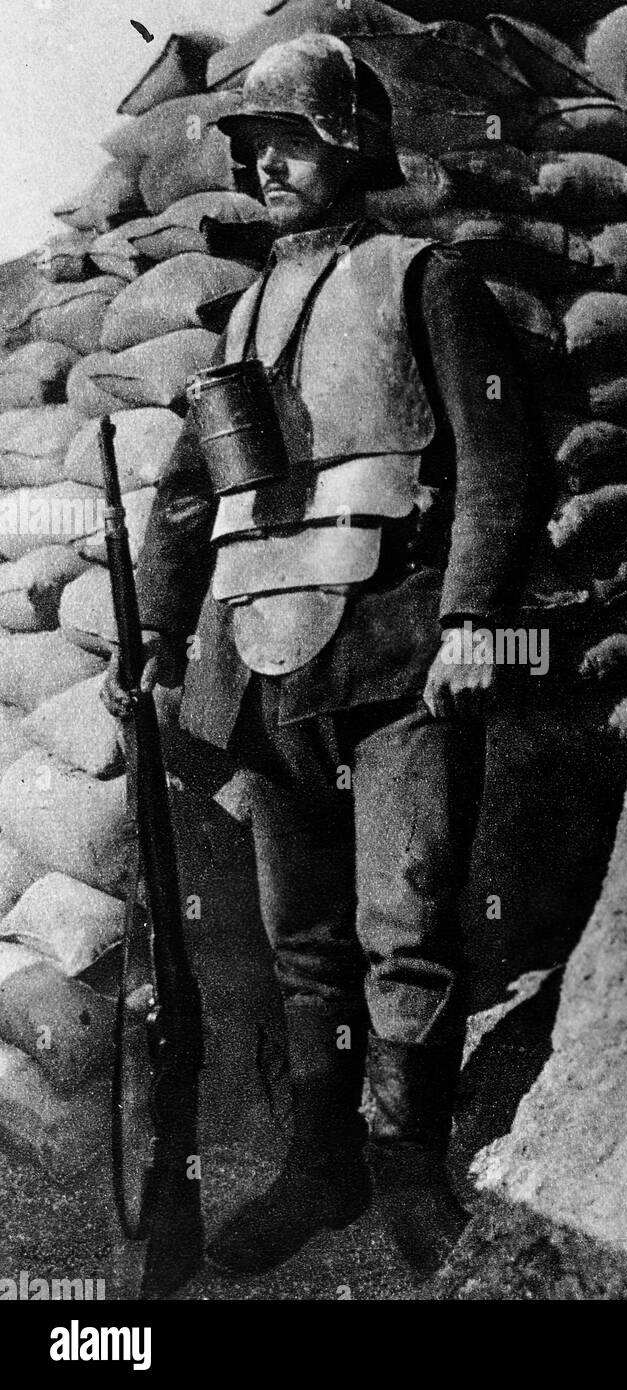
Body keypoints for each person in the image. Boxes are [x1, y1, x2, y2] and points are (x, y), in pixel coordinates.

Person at [101, 31, 549, 1280]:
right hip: (261, 657)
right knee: (304, 938)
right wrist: (150, 635)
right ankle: (321, 1162)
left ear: (350, 145)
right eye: (253, 145)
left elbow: (498, 462)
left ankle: (407, 1167)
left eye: (290, 139)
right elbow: (189, 497)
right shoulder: (239, 306)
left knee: (401, 919)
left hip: (395, 644)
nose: (269, 162)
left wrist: (469, 619)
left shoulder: (422, 277)